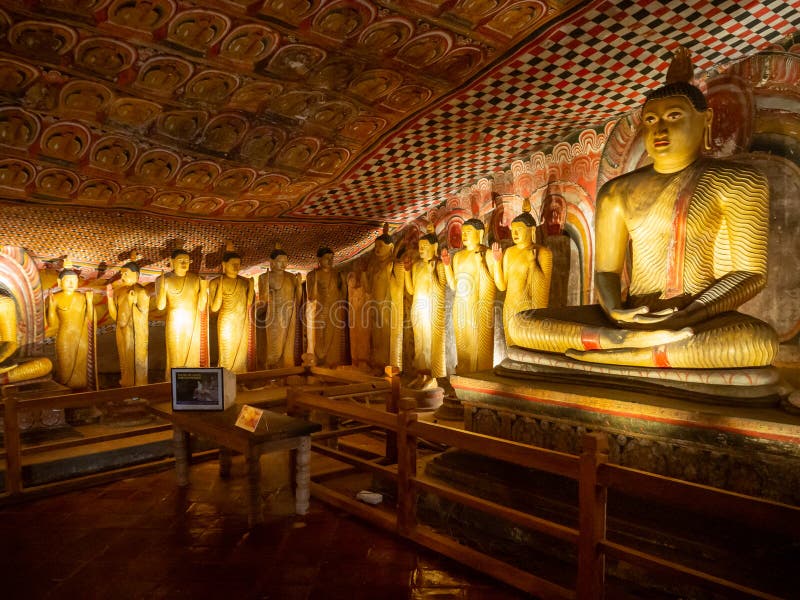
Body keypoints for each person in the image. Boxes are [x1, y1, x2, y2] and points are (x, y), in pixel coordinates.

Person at [508, 48, 777, 370]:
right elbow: (607, 271)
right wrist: (615, 311)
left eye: (674, 116)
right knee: (521, 323)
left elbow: (749, 273)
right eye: (651, 120)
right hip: (629, 314)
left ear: (706, 120)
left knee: (757, 341)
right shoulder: (617, 192)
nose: (659, 129)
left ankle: (628, 353)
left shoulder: (738, 181)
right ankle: (624, 345)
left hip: (697, 316)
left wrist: (690, 313)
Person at [489, 201, 553, 345]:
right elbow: (501, 286)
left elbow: (543, 289)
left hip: (530, 308)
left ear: (531, 231)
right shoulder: (508, 252)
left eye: (520, 229)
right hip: (510, 307)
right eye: (513, 229)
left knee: (530, 346)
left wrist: (532, 264)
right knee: (512, 348)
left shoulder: (544, 253)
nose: (515, 233)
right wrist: (497, 262)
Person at [442, 219, 495, 374]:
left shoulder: (487, 253)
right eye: (463, 232)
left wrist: (483, 264)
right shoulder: (458, 256)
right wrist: (446, 266)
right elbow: (453, 286)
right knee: (463, 346)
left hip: (477, 306)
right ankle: (463, 375)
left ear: (479, 234)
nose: (463, 235)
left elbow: (492, 284)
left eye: (468, 232)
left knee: (477, 345)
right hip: (460, 306)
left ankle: (478, 379)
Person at [404, 225, 446, 388]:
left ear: (434, 247)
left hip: (431, 308)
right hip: (418, 307)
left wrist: (432, 271)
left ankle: (431, 377)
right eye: (420, 247)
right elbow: (411, 289)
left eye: (424, 247)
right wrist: (407, 272)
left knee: (428, 343)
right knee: (419, 342)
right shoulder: (417, 265)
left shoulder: (438, 265)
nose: (420, 250)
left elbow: (442, 286)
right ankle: (421, 374)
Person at [155, 249, 208, 379]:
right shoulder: (164, 279)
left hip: (191, 322)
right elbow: (161, 306)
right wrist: (162, 287)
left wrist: (203, 289)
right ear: (172, 262)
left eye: (187, 260)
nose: (184, 263)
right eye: (180, 260)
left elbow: (201, 306)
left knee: (192, 354)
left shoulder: (195, 279)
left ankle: (192, 384)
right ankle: (173, 384)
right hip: (175, 322)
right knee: (175, 355)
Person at [45, 261, 96, 390]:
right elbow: (52, 323)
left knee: (81, 366)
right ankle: (66, 393)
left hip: (81, 336)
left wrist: (90, 302)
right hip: (65, 336)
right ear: (59, 281)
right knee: (65, 367)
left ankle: (81, 392)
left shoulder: (82, 297)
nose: (72, 283)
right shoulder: (55, 298)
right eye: (68, 280)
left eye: (74, 280)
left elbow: (91, 318)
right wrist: (51, 307)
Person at [209, 248, 254, 374]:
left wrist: (251, 286)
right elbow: (214, 307)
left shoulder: (243, 283)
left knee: (241, 354)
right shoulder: (215, 282)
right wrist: (220, 288)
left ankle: (240, 380)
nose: (236, 267)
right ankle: (226, 381)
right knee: (227, 353)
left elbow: (249, 302)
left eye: (238, 264)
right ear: (224, 265)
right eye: (232, 264)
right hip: (227, 321)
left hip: (241, 322)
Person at [106, 257, 149, 387]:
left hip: (136, 332)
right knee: (124, 359)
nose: (122, 276)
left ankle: (138, 386)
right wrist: (109, 298)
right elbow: (116, 317)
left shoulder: (141, 291)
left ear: (136, 275)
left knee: (136, 359)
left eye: (126, 273)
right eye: (121, 273)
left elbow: (143, 314)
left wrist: (133, 304)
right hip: (122, 330)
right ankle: (126, 383)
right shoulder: (119, 291)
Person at [258, 245, 301, 369]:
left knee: (288, 346)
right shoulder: (265, 277)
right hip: (274, 316)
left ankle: (286, 371)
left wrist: (298, 285)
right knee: (274, 347)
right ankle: (272, 374)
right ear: (271, 263)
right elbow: (263, 300)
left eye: (285, 261)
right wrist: (265, 285)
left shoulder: (291, 277)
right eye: (279, 262)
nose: (283, 264)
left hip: (289, 315)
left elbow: (298, 299)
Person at [306, 247, 346, 367]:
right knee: (320, 337)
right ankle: (320, 363)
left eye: (332, 258)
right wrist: (316, 280)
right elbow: (311, 297)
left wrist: (343, 282)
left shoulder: (337, 274)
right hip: (321, 310)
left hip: (334, 310)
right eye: (327, 258)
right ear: (319, 259)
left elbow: (342, 296)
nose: (330, 261)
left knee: (334, 338)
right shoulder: (312, 275)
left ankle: (332, 364)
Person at [0, 293, 52, 384]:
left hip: (2, 357)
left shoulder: (3, 303)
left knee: (45, 364)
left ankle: (3, 379)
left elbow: (10, 343)